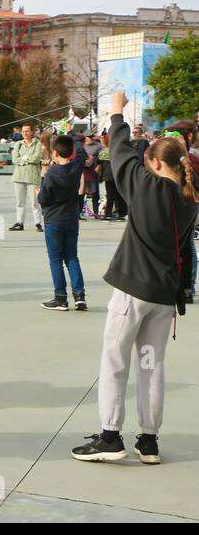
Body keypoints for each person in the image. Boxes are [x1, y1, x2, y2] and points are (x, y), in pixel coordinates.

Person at [71, 91, 199, 465]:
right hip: (164, 294)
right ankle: (149, 440)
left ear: (157, 164)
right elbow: (126, 153)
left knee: (114, 360)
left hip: (133, 289)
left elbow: (122, 152)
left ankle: (111, 436)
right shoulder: (190, 197)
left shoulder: (149, 188)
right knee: (150, 365)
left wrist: (115, 110)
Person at [38, 135, 86, 311]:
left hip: (54, 220)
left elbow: (44, 199)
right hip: (71, 218)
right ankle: (79, 296)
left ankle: (61, 298)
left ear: (55, 153)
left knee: (56, 259)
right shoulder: (76, 166)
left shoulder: (52, 173)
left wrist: (38, 194)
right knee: (72, 256)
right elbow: (80, 152)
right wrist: (74, 136)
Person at [10, 124, 43, 232]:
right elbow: (15, 159)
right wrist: (27, 159)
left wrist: (23, 159)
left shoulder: (37, 143)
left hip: (32, 176)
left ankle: (37, 222)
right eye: (23, 131)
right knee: (20, 201)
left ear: (32, 132)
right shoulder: (18, 144)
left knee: (35, 201)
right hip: (19, 176)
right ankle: (20, 222)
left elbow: (37, 158)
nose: (25, 133)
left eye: (27, 131)